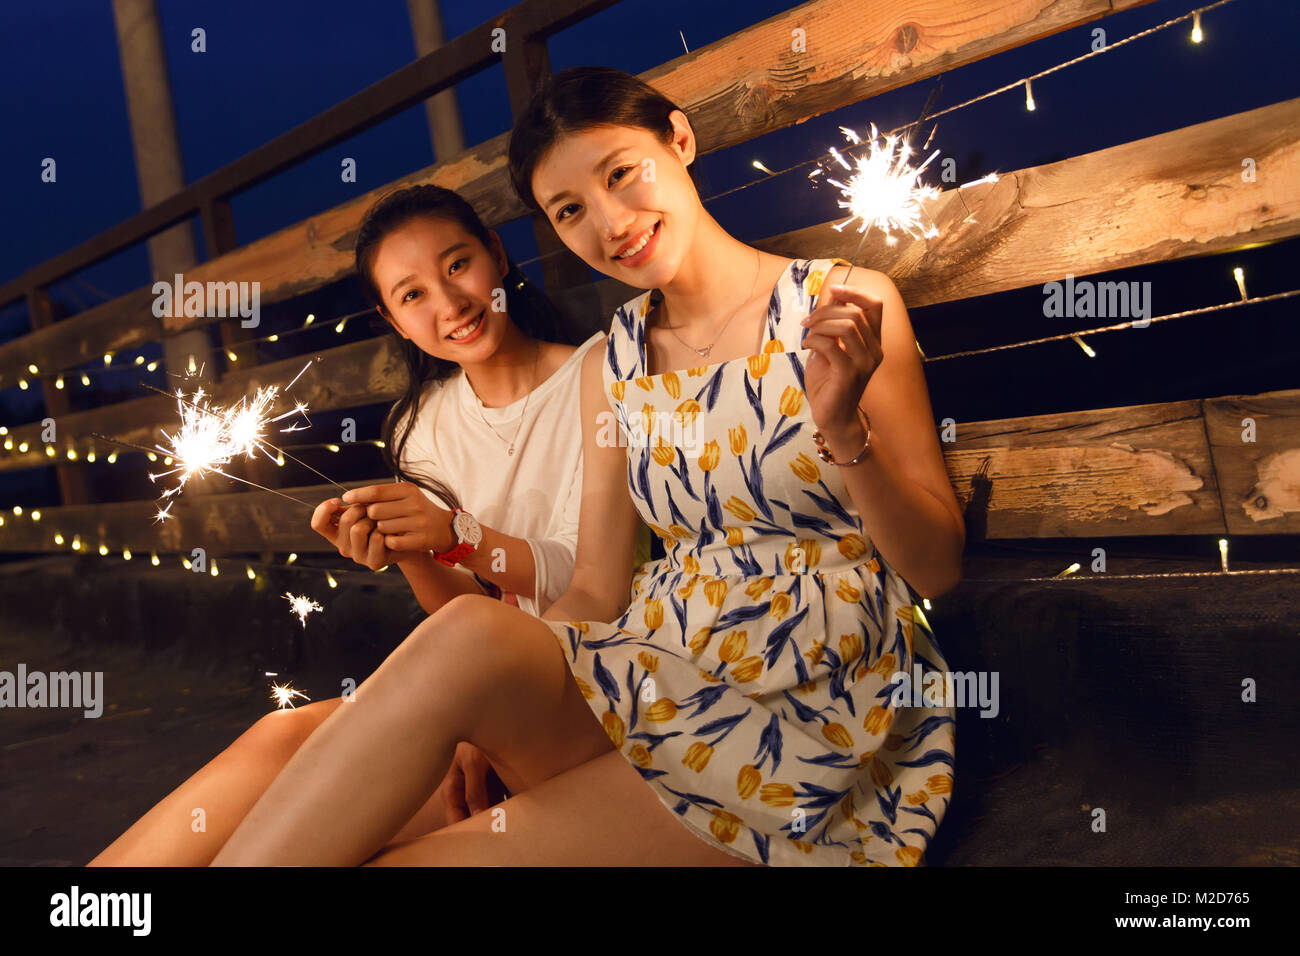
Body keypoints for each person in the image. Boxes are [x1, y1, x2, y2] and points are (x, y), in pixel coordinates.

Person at [208, 66, 966, 867]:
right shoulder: (620, 354)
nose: (611, 223)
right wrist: (484, 705)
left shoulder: (841, 304)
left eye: (621, 174)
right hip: (662, 668)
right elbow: (598, 588)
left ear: (679, 140)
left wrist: (843, 429)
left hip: (817, 699)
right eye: (571, 210)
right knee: (469, 634)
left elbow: (935, 567)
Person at [88, 184, 607, 866]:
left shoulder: (596, 372)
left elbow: (593, 580)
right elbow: (463, 611)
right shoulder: (420, 425)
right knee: (282, 738)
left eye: (457, 265)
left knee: (333, 827)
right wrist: (412, 551)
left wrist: (455, 534)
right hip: (484, 685)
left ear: (497, 254)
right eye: (412, 294)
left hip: (587, 686)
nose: (450, 305)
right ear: (392, 319)